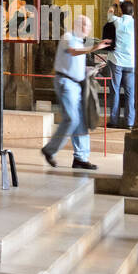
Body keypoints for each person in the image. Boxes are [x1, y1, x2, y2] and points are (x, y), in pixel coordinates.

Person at [41, 15, 109, 171]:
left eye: (89, 26)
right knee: (71, 119)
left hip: (77, 85)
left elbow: (74, 62)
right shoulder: (68, 37)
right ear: (77, 25)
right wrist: (94, 48)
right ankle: (49, 150)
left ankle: (81, 158)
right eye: (86, 25)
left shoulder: (79, 41)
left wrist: (89, 70)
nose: (88, 29)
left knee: (81, 121)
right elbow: (73, 52)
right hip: (66, 84)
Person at [107, 0, 135, 127]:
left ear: (121, 11)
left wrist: (114, 4)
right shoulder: (135, 24)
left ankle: (114, 121)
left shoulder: (116, 21)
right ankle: (130, 122)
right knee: (130, 93)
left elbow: (109, 13)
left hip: (116, 61)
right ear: (133, 12)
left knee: (115, 91)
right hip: (131, 63)